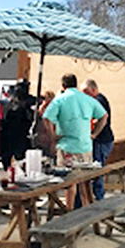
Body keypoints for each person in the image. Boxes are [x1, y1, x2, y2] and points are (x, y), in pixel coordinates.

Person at [43, 73, 108, 209]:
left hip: (67, 146)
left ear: (62, 85)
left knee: (69, 183)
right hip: (85, 146)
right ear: (76, 84)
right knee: (84, 183)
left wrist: (52, 135)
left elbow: (46, 117)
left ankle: (69, 211)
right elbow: (104, 116)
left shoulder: (60, 99)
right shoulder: (87, 99)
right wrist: (94, 134)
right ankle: (87, 210)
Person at [82, 78, 114, 201]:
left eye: (86, 91)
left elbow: (102, 118)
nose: (84, 94)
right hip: (103, 140)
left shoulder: (99, 101)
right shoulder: (96, 100)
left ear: (94, 90)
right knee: (96, 168)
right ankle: (95, 196)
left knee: (97, 168)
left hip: (102, 140)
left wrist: (93, 133)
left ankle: (98, 197)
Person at [0, 82, 32, 168]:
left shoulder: (26, 105)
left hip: (18, 137)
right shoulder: (11, 106)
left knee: (20, 162)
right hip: (12, 138)